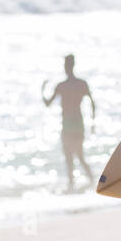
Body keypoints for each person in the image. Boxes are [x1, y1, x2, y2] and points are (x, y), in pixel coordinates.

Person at [44, 54, 95, 189]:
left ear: (66, 66)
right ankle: (92, 182)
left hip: (67, 125)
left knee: (69, 158)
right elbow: (92, 103)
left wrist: (42, 90)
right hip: (78, 124)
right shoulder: (81, 84)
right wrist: (93, 123)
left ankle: (72, 186)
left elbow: (47, 103)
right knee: (80, 156)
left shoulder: (62, 86)